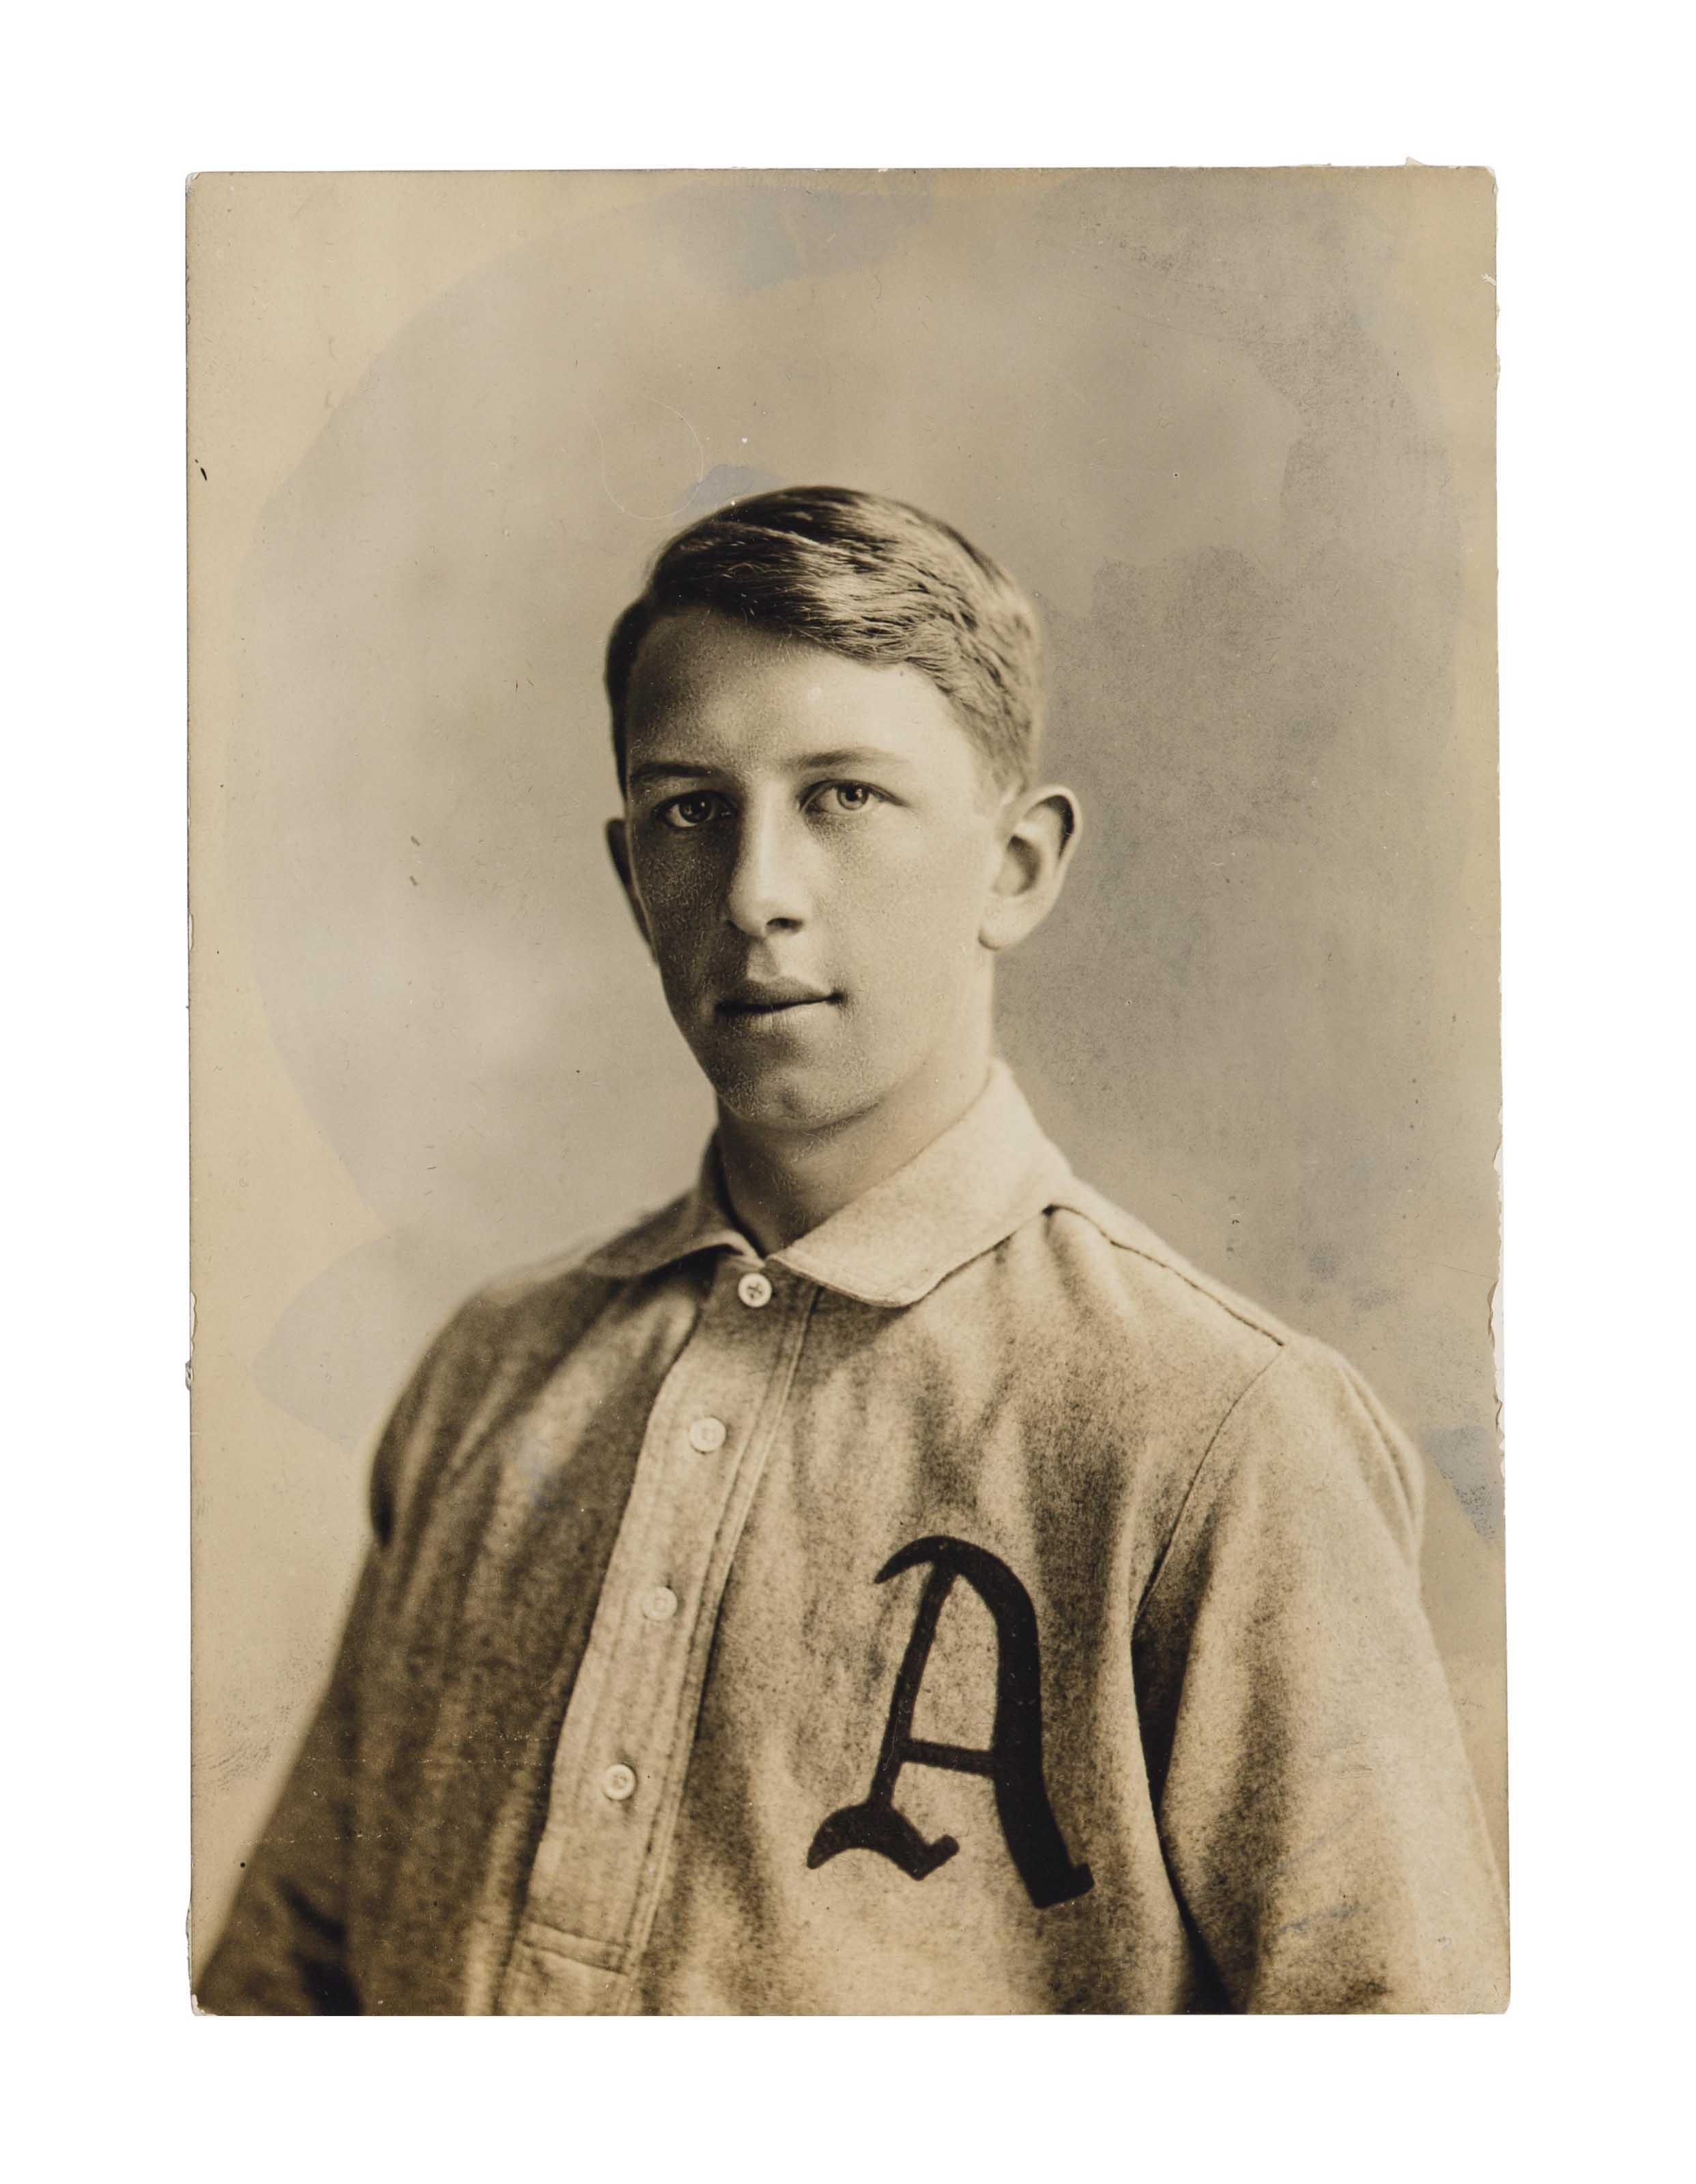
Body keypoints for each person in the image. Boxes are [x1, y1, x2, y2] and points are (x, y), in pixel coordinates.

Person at [199, 485, 1508, 2015]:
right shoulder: (495, 1378)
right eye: (692, 809)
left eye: (843, 797)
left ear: (1017, 865)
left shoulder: (1212, 1433)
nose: (757, 893)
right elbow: (278, 1999)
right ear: (632, 877)